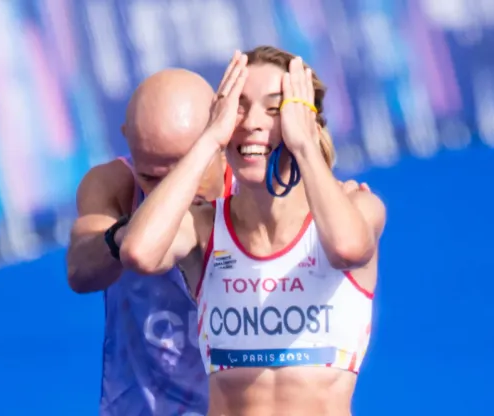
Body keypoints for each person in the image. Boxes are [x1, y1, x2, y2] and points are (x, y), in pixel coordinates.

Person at [119, 46, 386, 416]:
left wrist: (305, 145)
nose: (252, 122)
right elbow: (138, 252)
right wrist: (209, 139)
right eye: (239, 106)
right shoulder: (204, 226)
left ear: (308, 120)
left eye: (275, 108)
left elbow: (346, 249)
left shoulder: (357, 208)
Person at [66, 69, 236, 416]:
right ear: (129, 141)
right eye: (152, 177)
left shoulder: (256, 192)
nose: (170, 192)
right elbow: (81, 271)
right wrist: (135, 232)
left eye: (187, 169)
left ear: (221, 141)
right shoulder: (114, 185)